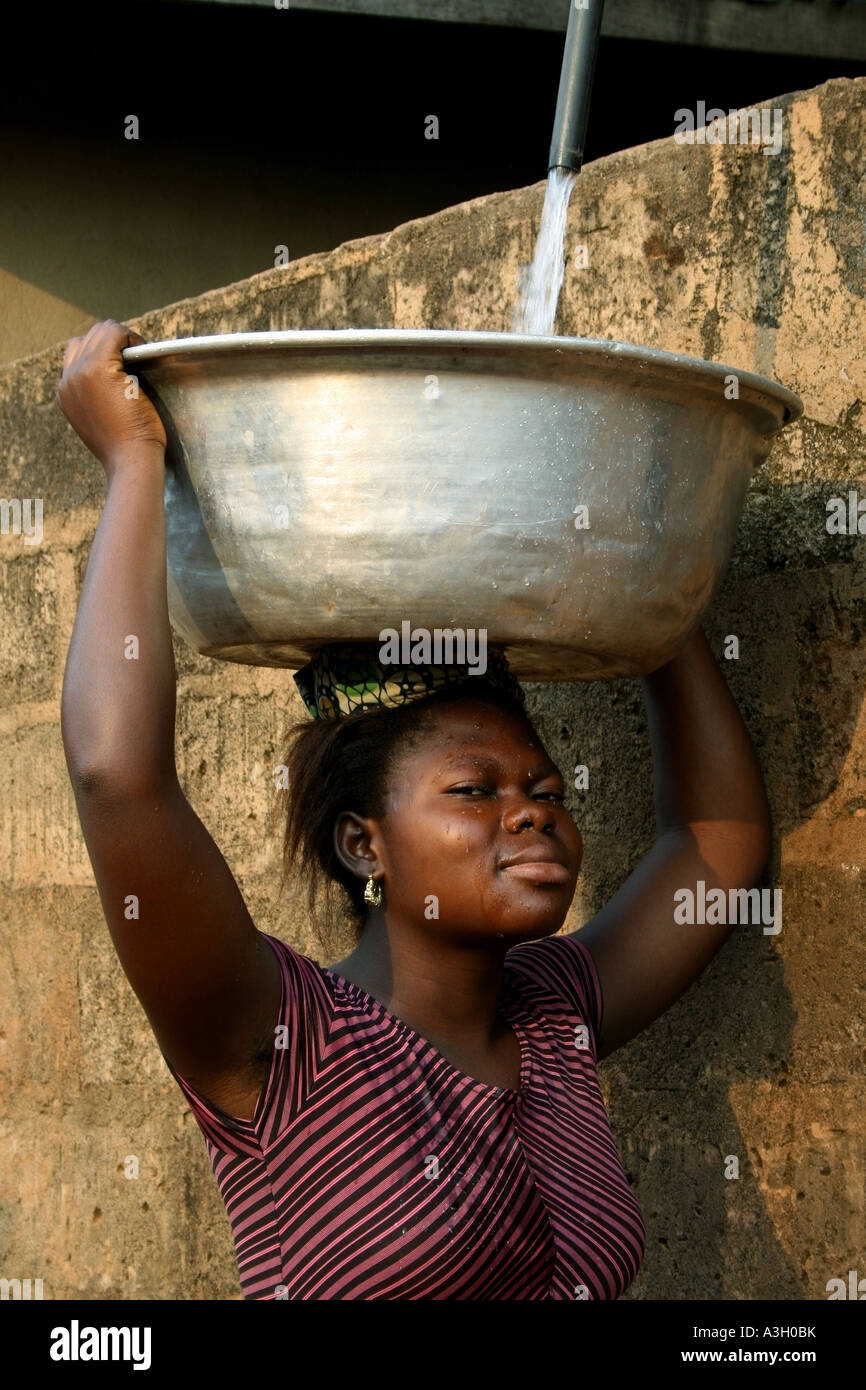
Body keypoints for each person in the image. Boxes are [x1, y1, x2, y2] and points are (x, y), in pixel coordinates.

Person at [57, 320, 772, 1300]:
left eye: (544, 792)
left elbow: (718, 850)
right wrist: (132, 458)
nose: (529, 816)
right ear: (365, 843)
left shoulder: (551, 1015)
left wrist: (646, 572)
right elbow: (116, 777)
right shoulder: (282, 1040)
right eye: (474, 792)